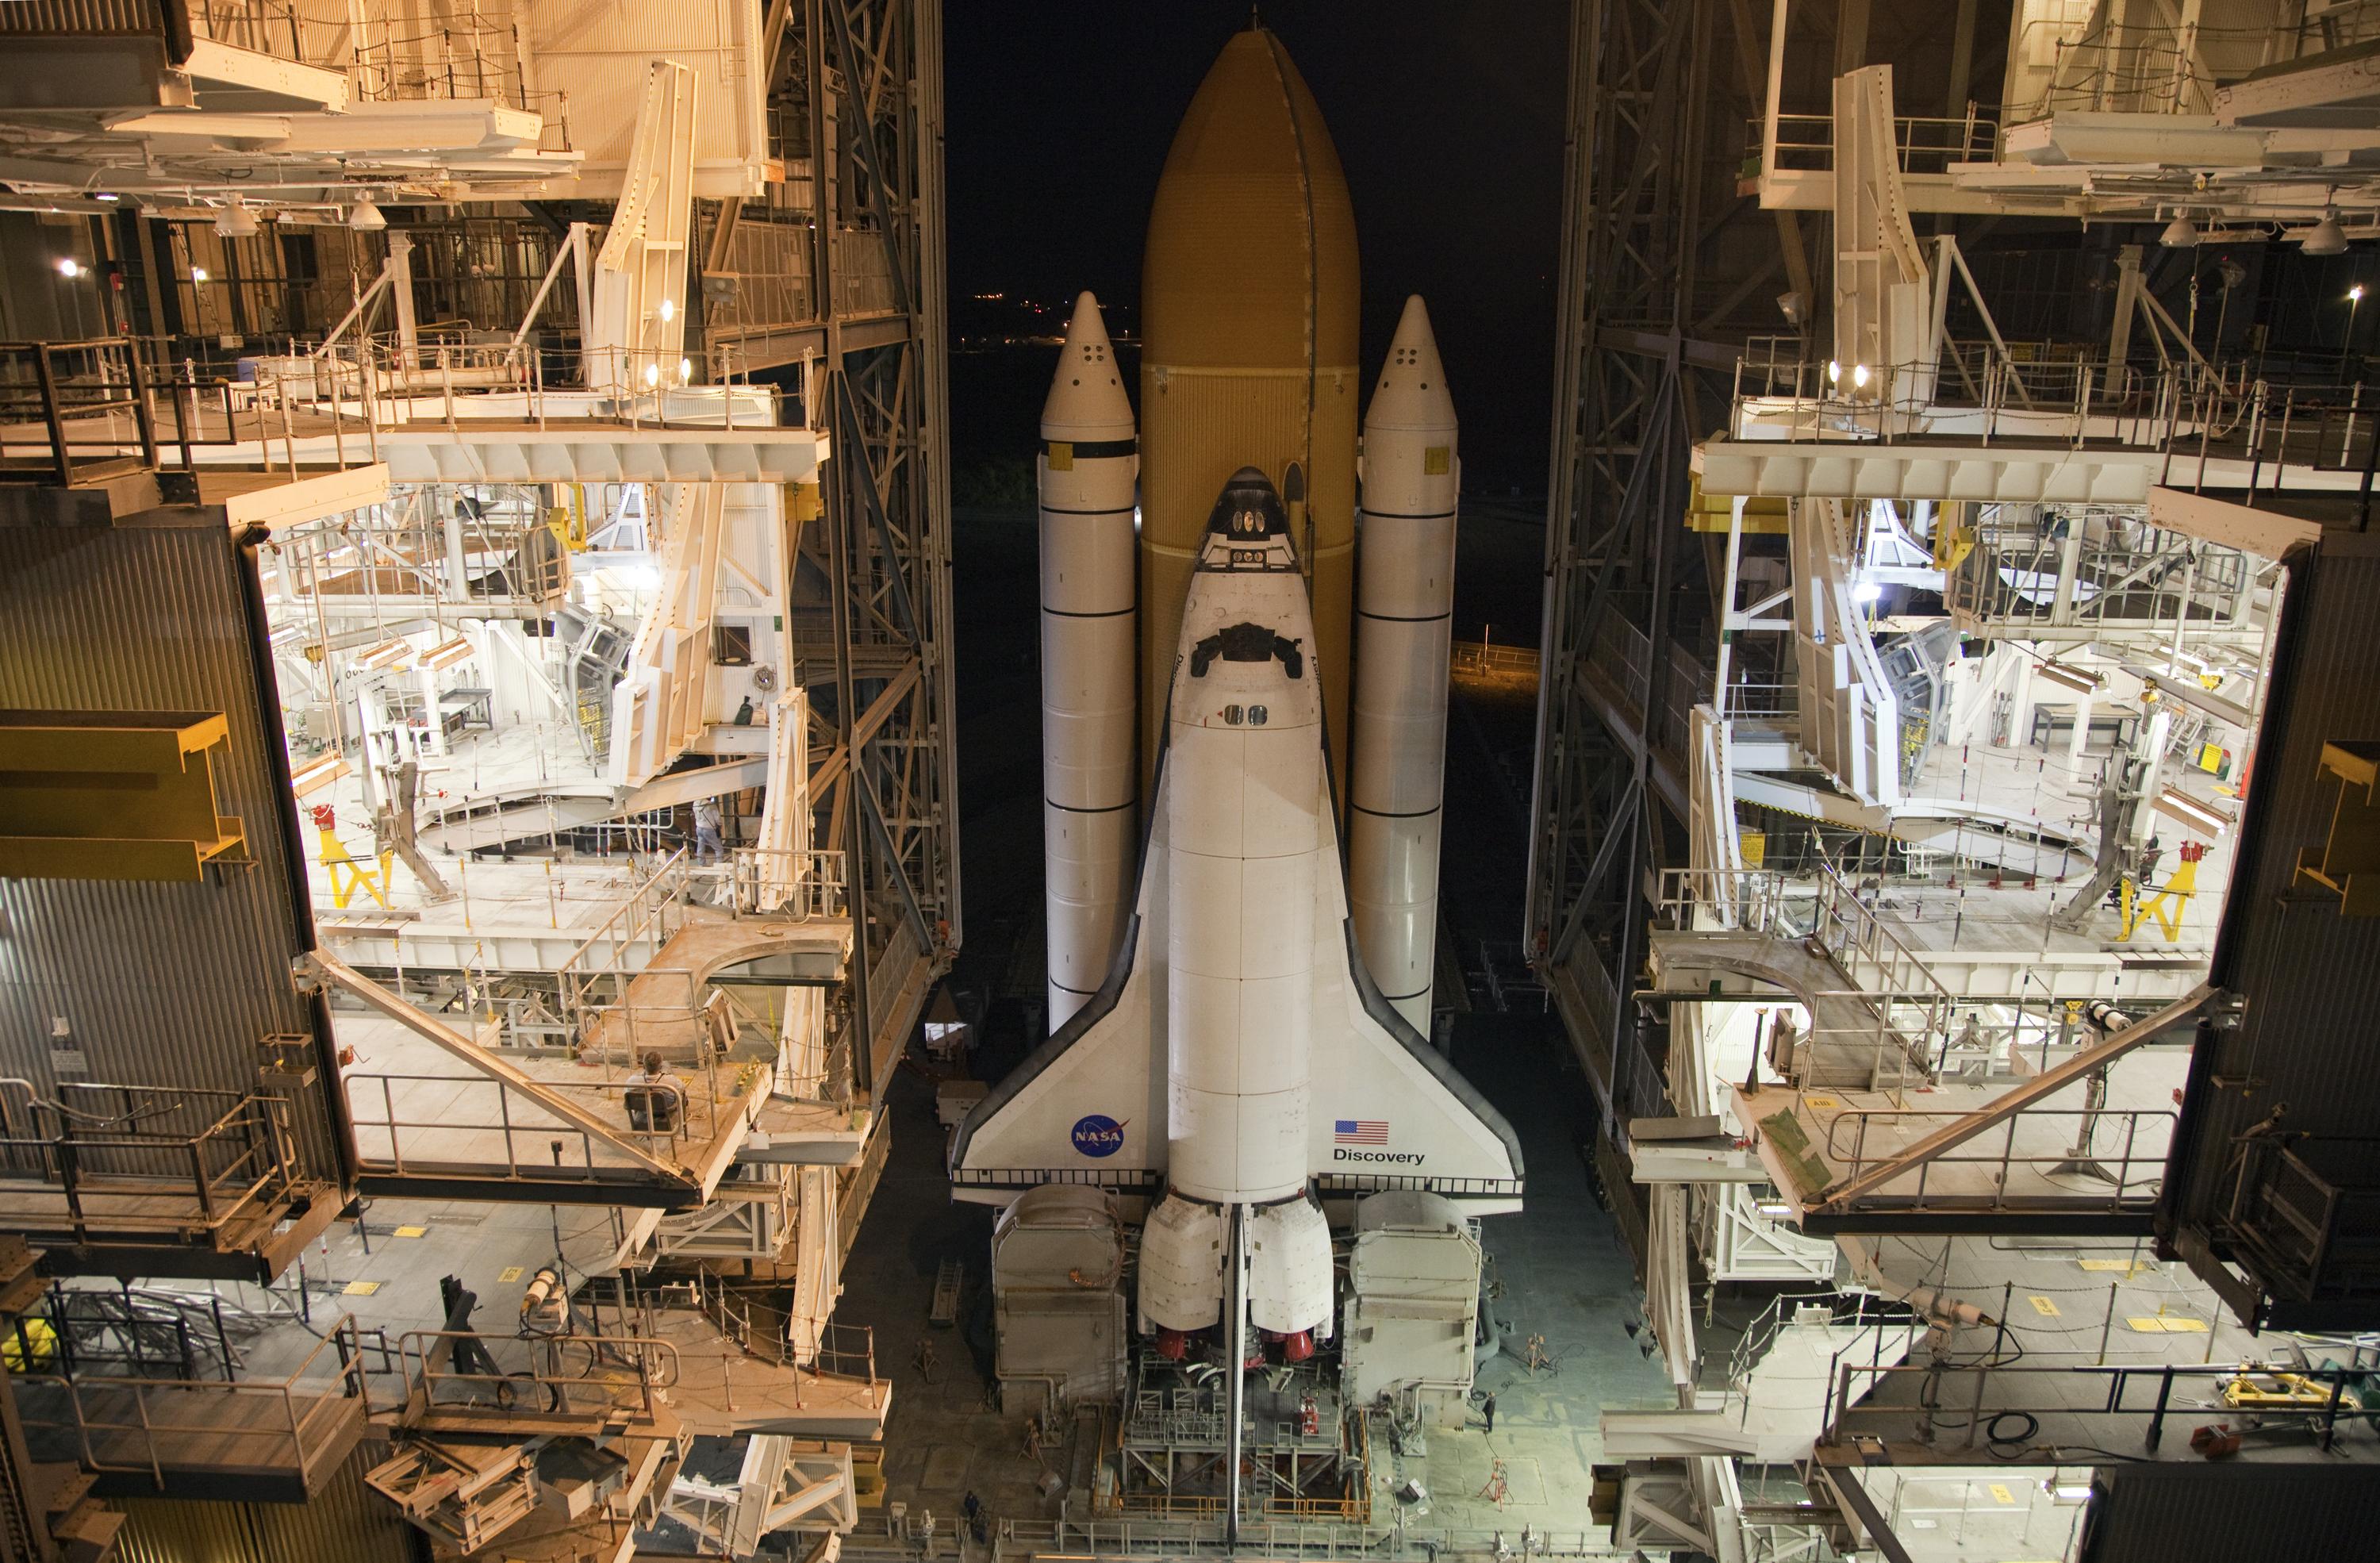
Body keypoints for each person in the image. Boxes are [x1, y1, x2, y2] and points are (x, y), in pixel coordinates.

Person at [624, 1050, 683, 1133]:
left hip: (644, 1112)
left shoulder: (632, 1081)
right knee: (681, 1096)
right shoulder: (671, 1081)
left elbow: (626, 1093)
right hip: (665, 1112)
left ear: (644, 1067)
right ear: (660, 1067)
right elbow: (682, 1089)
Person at [693, 796, 725, 866]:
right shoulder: (711, 805)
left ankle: (701, 864)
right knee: (718, 848)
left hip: (699, 828)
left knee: (700, 847)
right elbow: (717, 818)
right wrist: (720, 825)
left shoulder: (695, 803)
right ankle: (720, 865)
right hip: (709, 828)